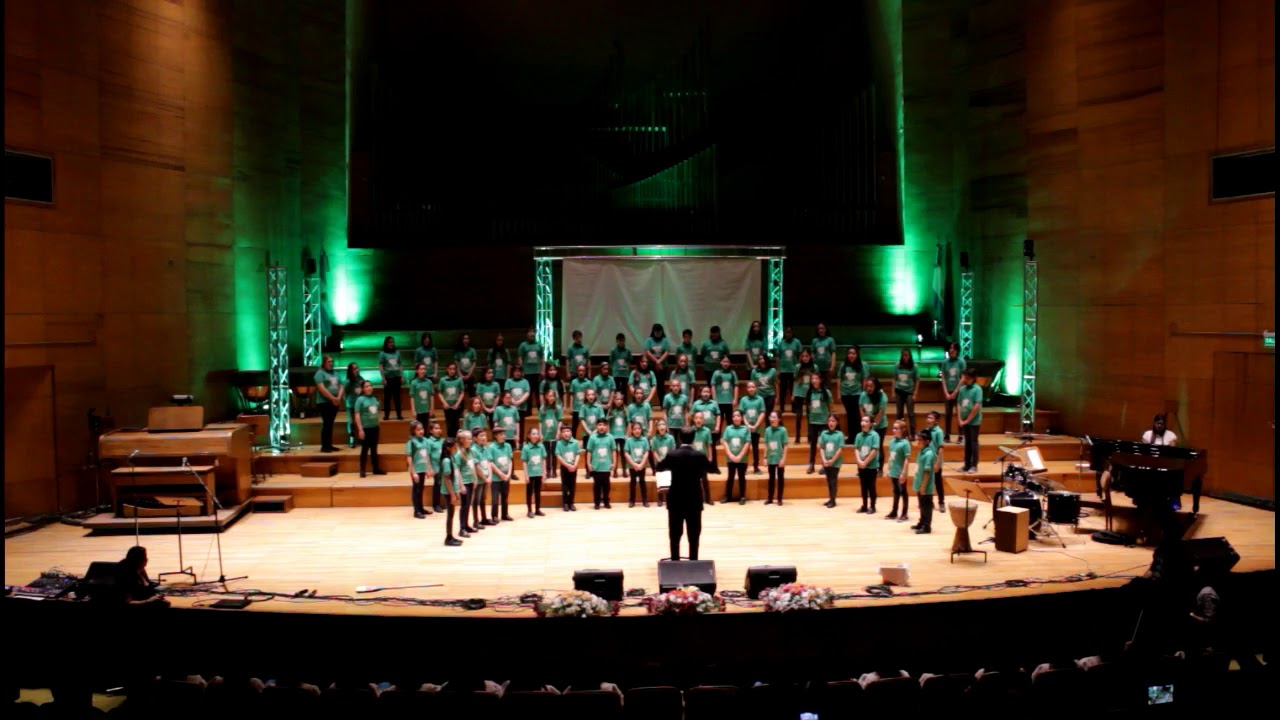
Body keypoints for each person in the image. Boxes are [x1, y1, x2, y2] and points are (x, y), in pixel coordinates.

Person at [656, 430, 712, 562]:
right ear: (693, 438)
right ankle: (693, 560)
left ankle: (675, 560)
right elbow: (712, 469)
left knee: (675, 533)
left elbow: (659, 467)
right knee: (694, 533)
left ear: (679, 438)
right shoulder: (699, 455)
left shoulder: (672, 455)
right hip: (694, 499)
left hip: (676, 499)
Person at [838, 347, 870, 442]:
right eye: (849, 353)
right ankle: (851, 437)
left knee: (857, 416)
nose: (851, 355)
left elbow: (865, 379)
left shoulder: (862, 365)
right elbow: (839, 379)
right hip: (846, 394)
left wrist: (864, 392)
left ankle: (858, 437)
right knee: (850, 416)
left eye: (853, 353)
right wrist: (839, 393)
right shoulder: (843, 365)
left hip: (857, 394)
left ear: (857, 354)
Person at [353, 380, 384, 477]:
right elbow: (357, 414)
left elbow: (377, 411)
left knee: (374, 449)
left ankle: (376, 469)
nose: (369, 388)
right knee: (365, 449)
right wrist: (360, 429)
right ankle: (362, 469)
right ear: (363, 389)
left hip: (375, 427)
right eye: (366, 386)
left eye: (370, 385)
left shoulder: (374, 398)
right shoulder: (360, 400)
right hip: (365, 428)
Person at [313, 354, 343, 453]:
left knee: (330, 424)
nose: (331, 363)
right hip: (324, 402)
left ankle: (329, 444)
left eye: (332, 361)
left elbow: (341, 385)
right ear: (324, 362)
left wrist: (338, 397)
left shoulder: (336, 373)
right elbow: (321, 388)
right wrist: (332, 398)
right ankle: (324, 446)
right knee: (326, 423)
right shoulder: (320, 373)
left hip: (335, 401)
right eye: (329, 361)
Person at [804, 373, 833, 474]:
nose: (814, 380)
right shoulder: (809, 392)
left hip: (823, 422)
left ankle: (825, 465)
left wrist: (829, 420)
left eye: (816, 378)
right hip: (812, 422)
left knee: (823, 444)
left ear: (820, 380)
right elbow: (807, 407)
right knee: (813, 444)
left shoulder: (826, 392)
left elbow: (830, 407)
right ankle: (811, 464)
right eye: (812, 378)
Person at [956, 368, 983, 472]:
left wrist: (967, 420)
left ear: (973, 378)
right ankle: (966, 464)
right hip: (963, 420)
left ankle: (974, 465)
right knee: (967, 443)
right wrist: (960, 418)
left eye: (968, 378)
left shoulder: (977, 389)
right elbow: (959, 403)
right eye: (965, 378)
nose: (965, 380)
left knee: (973, 442)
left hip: (973, 421)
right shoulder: (962, 389)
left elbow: (976, 406)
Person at [721, 410, 751, 504]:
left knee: (742, 477)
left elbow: (747, 443)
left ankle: (742, 497)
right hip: (731, 458)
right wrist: (730, 454)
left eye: (738, 416)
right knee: (730, 477)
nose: (736, 418)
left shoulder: (745, 429)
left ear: (741, 418)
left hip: (742, 459)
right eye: (734, 416)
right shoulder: (728, 429)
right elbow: (724, 441)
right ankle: (728, 496)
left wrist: (740, 455)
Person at [885, 421, 912, 522]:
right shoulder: (892, 442)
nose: (894, 430)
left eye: (896, 428)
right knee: (895, 492)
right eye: (893, 428)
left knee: (903, 492)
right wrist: (888, 469)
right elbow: (890, 457)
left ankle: (904, 514)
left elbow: (907, 459)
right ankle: (894, 511)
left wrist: (904, 473)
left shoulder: (905, 443)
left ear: (902, 430)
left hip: (900, 472)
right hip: (893, 471)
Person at [853, 415, 881, 514]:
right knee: (863, 486)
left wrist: (865, 462)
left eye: (866, 421)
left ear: (870, 424)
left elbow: (874, 450)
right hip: (861, 466)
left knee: (871, 486)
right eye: (862, 421)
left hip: (871, 466)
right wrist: (859, 461)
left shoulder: (874, 435)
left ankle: (872, 506)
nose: (863, 423)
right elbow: (856, 449)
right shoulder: (858, 435)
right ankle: (864, 505)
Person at [860, 376, 889, 471]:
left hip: (879, 425)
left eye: (871, 386)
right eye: (867, 386)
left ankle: (880, 468)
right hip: (867, 425)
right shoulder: (863, 395)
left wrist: (871, 426)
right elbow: (861, 409)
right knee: (866, 446)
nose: (869, 388)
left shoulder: (882, 397)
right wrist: (864, 423)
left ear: (876, 386)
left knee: (878, 446)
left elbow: (879, 415)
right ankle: (865, 466)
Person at [405, 420, 433, 518]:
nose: (421, 431)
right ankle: (416, 511)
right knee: (416, 490)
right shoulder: (411, 442)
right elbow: (409, 457)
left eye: (422, 429)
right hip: (416, 469)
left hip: (423, 468)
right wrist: (413, 472)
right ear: (413, 431)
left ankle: (421, 508)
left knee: (421, 489)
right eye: (418, 430)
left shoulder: (426, 440)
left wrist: (429, 468)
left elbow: (427, 455)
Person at [912, 429, 938, 534]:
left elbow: (927, 472)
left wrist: (923, 486)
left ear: (927, 441)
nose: (918, 441)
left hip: (926, 487)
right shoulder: (921, 452)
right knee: (921, 506)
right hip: (920, 484)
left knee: (926, 507)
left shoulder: (929, 454)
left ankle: (927, 526)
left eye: (920, 439)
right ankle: (922, 522)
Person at [939, 341, 965, 442]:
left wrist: (955, 392)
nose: (951, 350)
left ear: (957, 350)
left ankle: (961, 435)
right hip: (948, 391)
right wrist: (946, 392)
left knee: (959, 413)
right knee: (948, 414)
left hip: (958, 391)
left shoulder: (961, 362)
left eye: (953, 348)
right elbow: (944, 378)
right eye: (950, 348)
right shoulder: (945, 362)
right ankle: (947, 435)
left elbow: (963, 378)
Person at [586, 418, 615, 509]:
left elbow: (613, 451)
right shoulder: (592, 437)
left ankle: (606, 501)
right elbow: (589, 451)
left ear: (606, 426)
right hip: (596, 466)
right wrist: (588, 463)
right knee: (597, 486)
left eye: (603, 425)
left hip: (606, 466)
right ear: (596, 426)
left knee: (607, 486)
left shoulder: (610, 437)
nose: (601, 427)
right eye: (599, 425)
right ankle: (597, 502)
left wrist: (614, 463)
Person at [454, 431, 479, 537]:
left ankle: (466, 525)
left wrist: (475, 478)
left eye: (470, 438)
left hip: (470, 481)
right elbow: (457, 470)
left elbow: (473, 467)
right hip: (464, 482)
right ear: (461, 440)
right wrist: (461, 485)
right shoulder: (459, 454)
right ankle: (462, 528)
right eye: (468, 439)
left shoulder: (471, 451)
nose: (470, 440)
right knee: (464, 506)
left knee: (468, 504)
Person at [439, 439, 463, 545]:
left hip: (452, 490)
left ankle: (451, 536)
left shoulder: (451, 458)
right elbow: (447, 479)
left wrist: (457, 491)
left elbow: (455, 477)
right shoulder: (446, 461)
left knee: (452, 514)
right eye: (454, 447)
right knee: (450, 515)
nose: (456, 449)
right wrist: (452, 494)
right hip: (448, 492)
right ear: (448, 448)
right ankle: (448, 538)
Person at [692, 386, 722, 472]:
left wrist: (717, 426)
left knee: (712, 448)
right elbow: (691, 415)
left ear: (710, 393)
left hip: (711, 430)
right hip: (699, 430)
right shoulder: (696, 404)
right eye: (704, 392)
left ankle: (713, 467)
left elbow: (718, 415)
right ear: (700, 393)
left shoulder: (714, 403)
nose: (706, 394)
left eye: (708, 392)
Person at [817, 414, 845, 508]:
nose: (831, 423)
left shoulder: (840, 434)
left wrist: (833, 460)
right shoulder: (824, 434)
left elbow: (840, 449)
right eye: (829, 421)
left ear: (837, 422)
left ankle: (833, 500)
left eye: (833, 421)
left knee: (833, 481)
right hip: (826, 462)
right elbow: (821, 448)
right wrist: (824, 460)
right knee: (829, 481)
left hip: (835, 462)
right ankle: (830, 498)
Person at [739, 381, 767, 474]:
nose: (751, 389)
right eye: (749, 387)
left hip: (756, 428)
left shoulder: (760, 399)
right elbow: (742, 414)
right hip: (745, 429)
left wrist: (755, 425)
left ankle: (756, 467)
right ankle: (744, 466)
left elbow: (762, 412)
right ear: (747, 389)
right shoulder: (743, 400)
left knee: (755, 448)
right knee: (746, 448)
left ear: (756, 388)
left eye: (753, 387)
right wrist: (747, 425)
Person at [489, 427, 515, 522]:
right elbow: (491, 463)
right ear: (495, 436)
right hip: (496, 478)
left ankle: (505, 514)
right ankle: (494, 516)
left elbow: (510, 460)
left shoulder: (508, 446)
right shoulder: (491, 447)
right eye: (501, 434)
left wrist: (508, 474)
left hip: (506, 477)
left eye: (504, 434)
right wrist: (500, 474)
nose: (504, 436)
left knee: (505, 497)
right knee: (495, 499)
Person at [650, 419, 677, 508]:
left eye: (663, 425)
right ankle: (660, 499)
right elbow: (654, 451)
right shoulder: (654, 439)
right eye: (659, 425)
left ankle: (669, 499)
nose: (662, 426)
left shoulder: (671, 438)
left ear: (666, 427)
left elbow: (672, 450)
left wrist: (667, 461)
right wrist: (659, 461)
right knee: (660, 481)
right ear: (657, 428)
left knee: (669, 481)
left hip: (669, 463)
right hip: (659, 463)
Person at [690, 411, 716, 504]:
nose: (698, 420)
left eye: (700, 418)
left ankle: (708, 498)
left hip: (702, 460)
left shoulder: (707, 431)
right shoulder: (690, 430)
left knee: (705, 480)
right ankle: (694, 499)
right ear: (693, 419)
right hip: (692, 460)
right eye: (696, 418)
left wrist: (710, 458)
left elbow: (709, 445)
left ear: (703, 420)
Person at [763, 411, 789, 505]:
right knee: (771, 478)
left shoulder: (783, 430)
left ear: (779, 419)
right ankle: (770, 498)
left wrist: (783, 459)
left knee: (780, 478)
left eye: (774, 417)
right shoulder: (767, 430)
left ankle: (779, 499)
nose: (772, 419)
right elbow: (766, 445)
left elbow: (785, 445)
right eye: (771, 417)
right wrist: (765, 458)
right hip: (771, 458)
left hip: (779, 458)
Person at [555, 424, 582, 511]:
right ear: (561, 433)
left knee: (572, 485)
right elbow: (558, 455)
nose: (566, 433)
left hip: (573, 467)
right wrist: (567, 465)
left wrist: (575, 465)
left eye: (568, 431)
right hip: (564, 467)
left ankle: (571, 502)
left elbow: (578, 454)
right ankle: (565, 503)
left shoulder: (575, 442)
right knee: (565, 486)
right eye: (563, 432)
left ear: (571, 432)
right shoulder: (559, 443)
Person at [624, 421, 652, 507]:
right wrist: (633, 464)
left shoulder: (644, 439)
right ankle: (632, 500)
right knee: (632, 483)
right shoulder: (629, 440)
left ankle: (645, 500)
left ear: (641, 430)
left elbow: (647, 452)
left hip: (642, 465)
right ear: (632, 430)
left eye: (639, 429)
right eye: (635, 429)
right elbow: (626, 453)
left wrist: (642, 464)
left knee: (642, 482)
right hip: (632, 466)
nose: (637, 431)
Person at [775, 326, 803, 411]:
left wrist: (798, 366)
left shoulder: (797, 342)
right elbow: (778, 357)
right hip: (783, 371)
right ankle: (782, 408)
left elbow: (800, 354)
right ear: (784, 333)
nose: (788, 333)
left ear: (792, 332)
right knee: (782, 391)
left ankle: (794, 408)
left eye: (789, 332)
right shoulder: (781, 343)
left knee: (793, 390)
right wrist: (778, 369)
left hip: (793, 370)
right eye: (786, 332)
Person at [471, 429, 495, 528]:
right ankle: (476, 521)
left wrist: (489, 476)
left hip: (486, 478)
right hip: (479, 479)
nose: (484, 438)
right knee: (476, 500)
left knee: (483, 499)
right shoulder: (473, 450)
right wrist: (485, 478)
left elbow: (489, 462)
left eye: (485, 435)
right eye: (481, 436)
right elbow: (476, 467)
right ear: (475, 438)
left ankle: (484, 518)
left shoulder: (485, 448)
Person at [894, 348, 920, 436]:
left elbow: (917, 380)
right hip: (899, 391)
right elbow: (894, 378)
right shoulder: (897, 365)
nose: (905, 357)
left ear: (909, 356)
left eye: (906, 355)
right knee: (899, 413)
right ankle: (900, 433)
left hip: (909, 392)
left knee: (911, 413)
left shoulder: (914, 366)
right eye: (903, 355)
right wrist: (893, 391)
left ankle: (912, 433)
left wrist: (915, 393)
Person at [522, 427, 547, 518]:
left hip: (538, 473)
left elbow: (543, 460)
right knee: (529, 492)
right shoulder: (526, 447)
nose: (536, 435)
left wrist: (544, 472)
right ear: (529, 436)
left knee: (537, 492)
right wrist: (526, 475)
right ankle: (529, 510)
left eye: (537, 434)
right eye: (533, 434)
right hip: (530, 474)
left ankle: (537, 509)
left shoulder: (541, 446)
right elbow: (524, 462)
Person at [516, 328, 544, 408]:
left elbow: (542, 358)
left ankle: (540, 410)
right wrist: (522, 370)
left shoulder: (539, 345)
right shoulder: (523, 345)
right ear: (527, 334)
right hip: (527, 372)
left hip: (537, 372)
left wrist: (543, 370)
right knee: (528, 391)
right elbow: (520, 358)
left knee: (538, 392)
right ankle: (528, 411)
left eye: (533, 332)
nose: (532, 334)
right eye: (530, 332)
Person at [378, 336, 404, 421]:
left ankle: (399, 415)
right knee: (387, 398)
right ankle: (386, 415)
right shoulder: (383, 353)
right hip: (388, 378)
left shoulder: (397, 352)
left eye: (392, 342)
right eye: (389, 342)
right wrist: (383, 378)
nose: (391, 343)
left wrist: (402, 375)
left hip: (397, 377)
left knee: (397, 397)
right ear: (386, 343)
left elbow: (400, 364)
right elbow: (380, 365)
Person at [924, 411, 946, 510]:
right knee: (928, 483)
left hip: (936, 461)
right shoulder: (926, 430)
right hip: (928, 461)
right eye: (928, 417)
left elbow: (941, 448)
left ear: (936, 421)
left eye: (931, 418)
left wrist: (937, 462)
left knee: (938, 483)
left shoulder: (939, 432)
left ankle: (941, 502)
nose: (928, 420)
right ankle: (929, 502)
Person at [438, 361, 466, 438]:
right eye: (450, 369)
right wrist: (444, 403)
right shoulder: (443, 380)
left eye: (454, 369)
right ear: (447, 369)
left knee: (456, 424)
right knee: (449, 424)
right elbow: (439, 393)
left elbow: (462, 393)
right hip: (447, 407)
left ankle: (457, 440)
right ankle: (450, 441)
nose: (452, 370)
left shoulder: (459, 379)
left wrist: (457, 404)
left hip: (456, 407)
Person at [793, 348, 817, 435]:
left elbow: (817, 381)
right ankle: (797, 436)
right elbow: (795, 381)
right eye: (803, 356)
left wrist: (811, 376)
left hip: (810, 393)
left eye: (807, 356)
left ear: (810, 357)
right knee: (798, 416)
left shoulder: (814, 367)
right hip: (799, 393)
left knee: (810, 415)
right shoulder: (797, 367)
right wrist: (793, 394)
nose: (805, 358)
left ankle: (810, 435)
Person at [425, 420, 446, 512]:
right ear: (431, 431)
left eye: (439, 428)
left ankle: (444, 503)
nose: (438, 430)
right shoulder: (429, 442)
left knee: (443, 485)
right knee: (437, 486)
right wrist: (429, 468)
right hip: (435, 467)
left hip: (443, 467)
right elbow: (427, 456)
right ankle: (436, 504)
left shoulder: (443, 440)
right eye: (436, 428)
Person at [607, 391, 629, 478]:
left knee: (624, 454)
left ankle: (624, 470)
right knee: (614, 454)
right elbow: (608, 423)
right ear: (614, 400)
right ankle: (615, 470)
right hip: (613, 436)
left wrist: (627, 434)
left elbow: (629, 423)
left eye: (621, 399)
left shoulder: (625, 410)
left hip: (623, 436)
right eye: (617, 399)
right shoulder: (611, 410)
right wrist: (609, 434)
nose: (619, 401)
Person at [568, 364, 594, 436]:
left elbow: (591, 395)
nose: (581, 372)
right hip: (576, 408)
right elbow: (572, 395)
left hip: (586, 408)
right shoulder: (574, 382)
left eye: (583, 371)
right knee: (574, 426)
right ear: (577, 371)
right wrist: (571, 407)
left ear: (585, 372)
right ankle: (572, 440)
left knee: (587, 425)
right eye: (579, 370)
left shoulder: (588, 383)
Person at [750, 354, 778, 419]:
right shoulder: (754, 371)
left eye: (763, 359)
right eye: (760, 359)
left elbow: (776, 384)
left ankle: (767, 429)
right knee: (756, 416)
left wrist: (777, 397)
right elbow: (752, 385)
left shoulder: (772, 370)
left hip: (770, 395)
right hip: (758, 396)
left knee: (768, 416)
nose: (762, 361)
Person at [409, 362, 435, 431]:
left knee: (426, 429)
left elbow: (431, 396)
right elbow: (412, 397)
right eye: (421, 369)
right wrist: (413, 410)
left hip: (426, 410)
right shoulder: (414, 383)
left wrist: (431, 409)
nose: (423, 371)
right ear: (417, 371)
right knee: (418, 429)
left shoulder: (429, 382)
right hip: (418, 411)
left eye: (424, 369)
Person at [505, 365, 532, 429]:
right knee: (511, 426)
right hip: (510, 408)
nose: (518, 373)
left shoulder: (525, 381)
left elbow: (527, 393)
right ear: (513, 372)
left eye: (519, 371)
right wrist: (513, 402)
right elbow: (507, 392)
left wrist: (519, 402)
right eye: (516, 371)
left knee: (521, 427)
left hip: (522, 408)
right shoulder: (508, 381)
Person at [343, 362, 362, 448]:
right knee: (351, 422)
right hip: (351, 404)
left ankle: (361, 438)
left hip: (360, 405)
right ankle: (352, 438)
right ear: (350, 370)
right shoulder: (348, 381)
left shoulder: (361, 379)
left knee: (360, 421)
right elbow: (344, 393)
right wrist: (348, 401)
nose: (356, 370)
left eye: (357, 368)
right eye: (354, 369)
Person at [608, 333, 632, 397]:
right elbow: (611, 362)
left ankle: (624, 404)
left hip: (625, 373)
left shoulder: (628, 350)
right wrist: (615, 369)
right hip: (616, 373)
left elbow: (629, 361)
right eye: (619, 341)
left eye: (622, 340)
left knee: (624, 390)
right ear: (617, 341)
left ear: (624, 341)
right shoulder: (613, 350)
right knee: (617, 390)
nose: (621, 342)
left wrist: (626, 368)